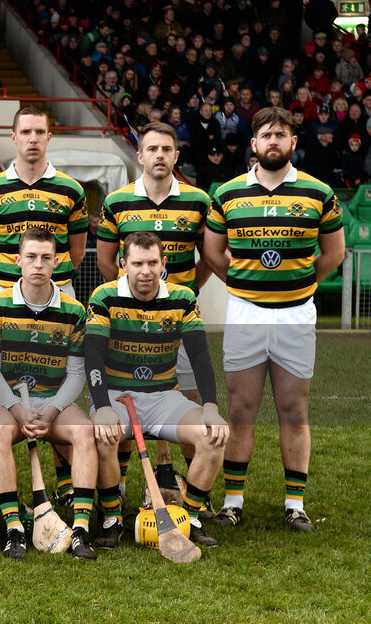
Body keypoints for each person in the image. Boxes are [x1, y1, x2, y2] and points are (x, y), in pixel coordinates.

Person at [203, 107, 345, 532]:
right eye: (266, 135)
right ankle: (232, 502)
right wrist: (245, 284)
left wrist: (301, 284)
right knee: (241, 409)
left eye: (281, 135)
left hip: (297, 314)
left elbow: (333, 253)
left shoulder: (319, 193)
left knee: (293, 409)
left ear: (293, 143)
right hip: (245, 313)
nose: (273, 142)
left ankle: (294, 504)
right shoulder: (227, 193)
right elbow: (212, 254)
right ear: (254, 143)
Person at [95, 121, 213, 511]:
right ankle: (125, 485)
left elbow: (209, 255)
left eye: (167, 149)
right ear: (139, 155)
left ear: (176, 156)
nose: (160, 155)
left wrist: (187, 289)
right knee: (126, 395)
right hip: (129, 318)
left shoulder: (197, 199)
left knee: (188, 398)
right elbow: (106, 260)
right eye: (152, 149)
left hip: (179, 315)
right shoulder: (117, 202)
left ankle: (195, 492)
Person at [87, 231, 228, 550]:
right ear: (123, 264)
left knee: (214, 437)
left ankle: (190, 518)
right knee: (101, 435)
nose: (145, 271)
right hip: (117, 396)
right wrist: (102, 406)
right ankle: (111, 519)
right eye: (137, 263)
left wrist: (210, 407)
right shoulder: (104, 296)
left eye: (152, 263)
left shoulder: (182, 297)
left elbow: (200, 355)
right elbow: (93, 355)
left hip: (165, 398)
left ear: (164, 264)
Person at [0, 227, 97, 560]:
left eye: (45, 258)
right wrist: (18, 412)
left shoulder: (74, 310)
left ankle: (81, 529)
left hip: (53, 401)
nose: (38, 264)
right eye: (31, 257)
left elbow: (77, 375)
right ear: (17, 260)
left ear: (57, 261)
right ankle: (14, 529)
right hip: (8, 402)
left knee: (84, 432)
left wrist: (50, 412)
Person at [0, 106, 87, 296]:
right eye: (25, 132)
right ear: (14, 137)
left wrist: (52, 277)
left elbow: (77, 251)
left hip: (58, 288)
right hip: (6, 289)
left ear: (49, 137)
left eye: (40, 132)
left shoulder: (72, 190)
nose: (33, 139)